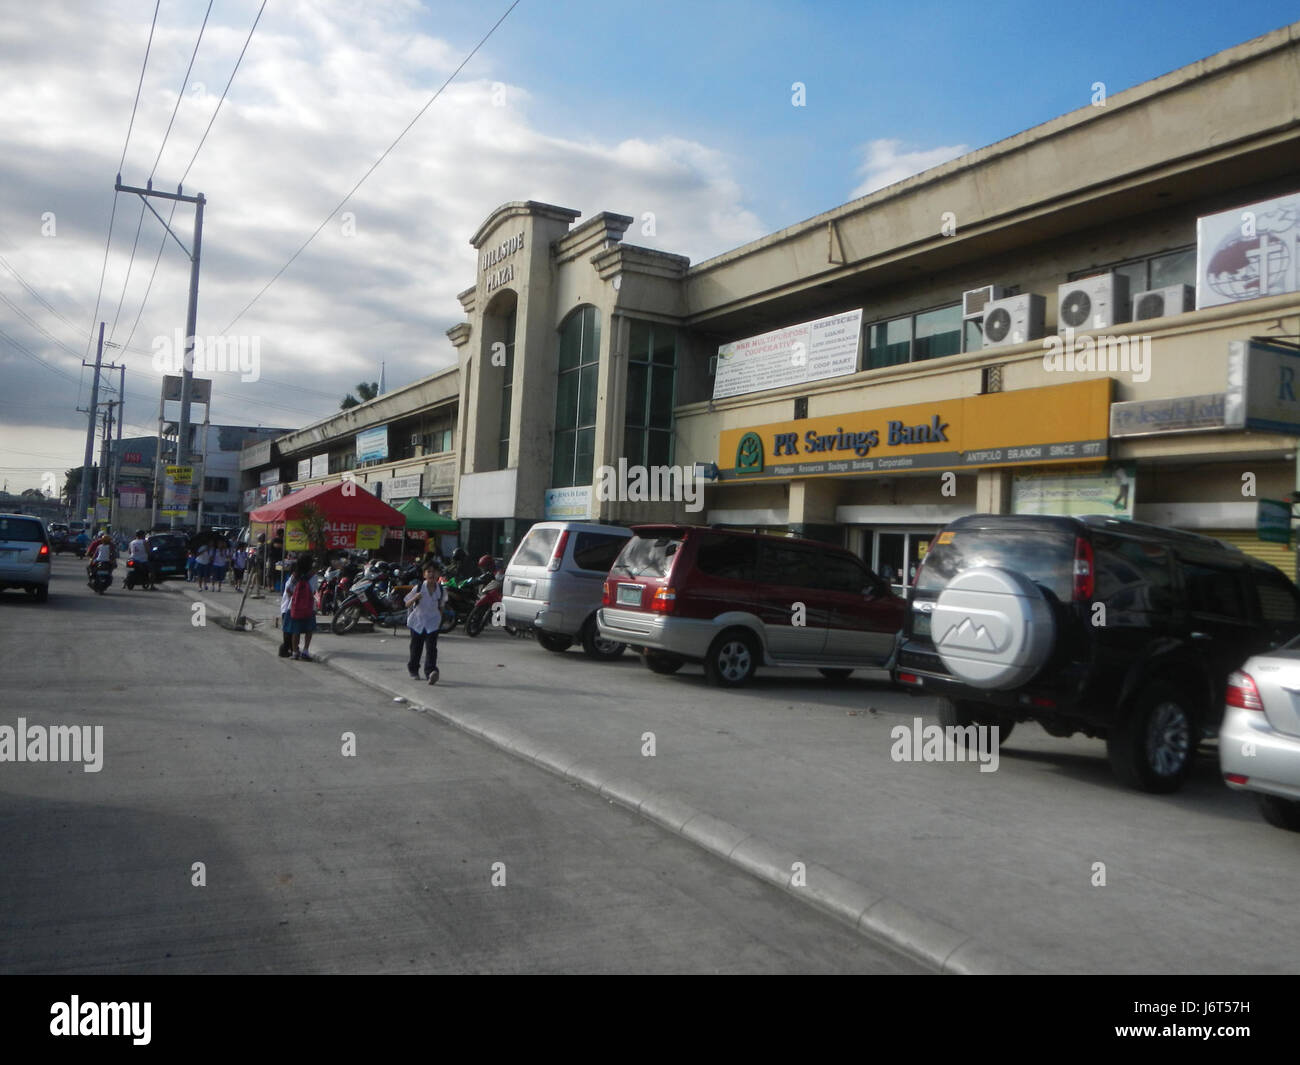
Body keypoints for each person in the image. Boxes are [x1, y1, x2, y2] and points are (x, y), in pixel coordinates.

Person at [404, 560, 445, 684]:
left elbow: (442, 606)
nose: (432, 574)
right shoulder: (419, 587)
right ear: (424, 574)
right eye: (429, 572)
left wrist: (439, 620)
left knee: (432, 648)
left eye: (434, 572)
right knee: (416, 648)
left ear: (438, 574)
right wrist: (416, 597)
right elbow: (407, 603)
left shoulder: (441, 590)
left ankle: (431, 672)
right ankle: (413, 670)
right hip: (418, 622)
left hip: (433, 623)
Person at [283, 554, 319, 661]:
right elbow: (313, 591)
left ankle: (294, 652)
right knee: (309, 630)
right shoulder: (313, 576)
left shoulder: (295, 575)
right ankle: (305, 651)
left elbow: (288, 589)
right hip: (309, 607)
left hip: (294, 607)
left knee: (295, 630)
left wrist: (295, 597)